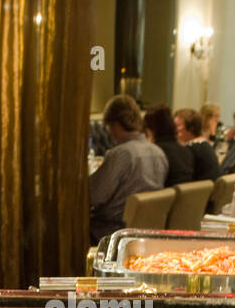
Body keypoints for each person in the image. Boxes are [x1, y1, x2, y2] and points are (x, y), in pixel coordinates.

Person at [88, 94, 168, 244]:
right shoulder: (158, 152)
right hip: (147, 232)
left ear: (116, 124)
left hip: (110, 233)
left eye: (109, 127)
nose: (109, 132)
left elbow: (95, 196)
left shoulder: (121, 154)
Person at [143, 104, 193, 187]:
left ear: (149, 129)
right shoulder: (185, 151)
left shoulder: (155, 153)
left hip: (164, 198)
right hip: (184, 199)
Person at [174, 108, 222, 183]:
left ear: (191, 128)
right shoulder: (204, 145)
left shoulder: (190, 150)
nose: (174, 129)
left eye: (178, 125)